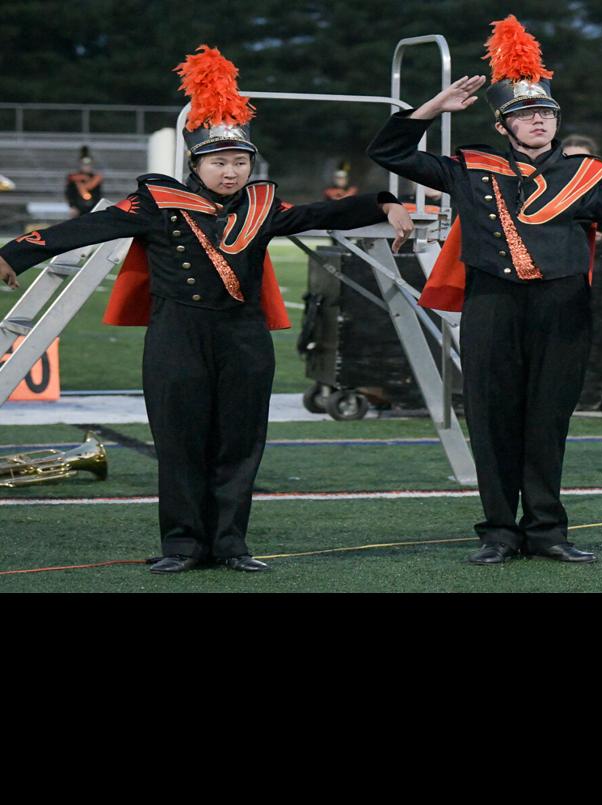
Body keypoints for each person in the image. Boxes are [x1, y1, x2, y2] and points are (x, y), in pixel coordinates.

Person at [1, 45, 412, 573]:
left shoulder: (265, 206)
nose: (231, 171)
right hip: (178, 332)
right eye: (219, 162)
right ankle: (182, 545)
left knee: (240, 441)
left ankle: (231, 545)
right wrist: (17, 253)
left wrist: (383, 200)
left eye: (239, 161)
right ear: (196, 163)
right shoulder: (156, 201)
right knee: (179, 440)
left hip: (243, 333)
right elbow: (84, 228)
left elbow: (321, 211)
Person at [368, 13, 602, 564]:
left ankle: (547, 531)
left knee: (548, 418)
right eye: (524, 114)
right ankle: (498, 533)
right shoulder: (469, 167)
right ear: (502, 126)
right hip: (493, 304)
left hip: (562, 308)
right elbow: (389, 155)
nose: (538, 121)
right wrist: (430, 110)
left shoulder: (591, 175)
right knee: (491, 418)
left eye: (545, 113)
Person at [65, 146, 103, 218]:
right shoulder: (73, 177)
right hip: (78, 207)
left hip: (92, 207)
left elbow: (98, 193)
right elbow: (69, 193)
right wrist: (72, 206)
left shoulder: (96, 177)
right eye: (85, 165)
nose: (87, 167)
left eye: (88, 165)